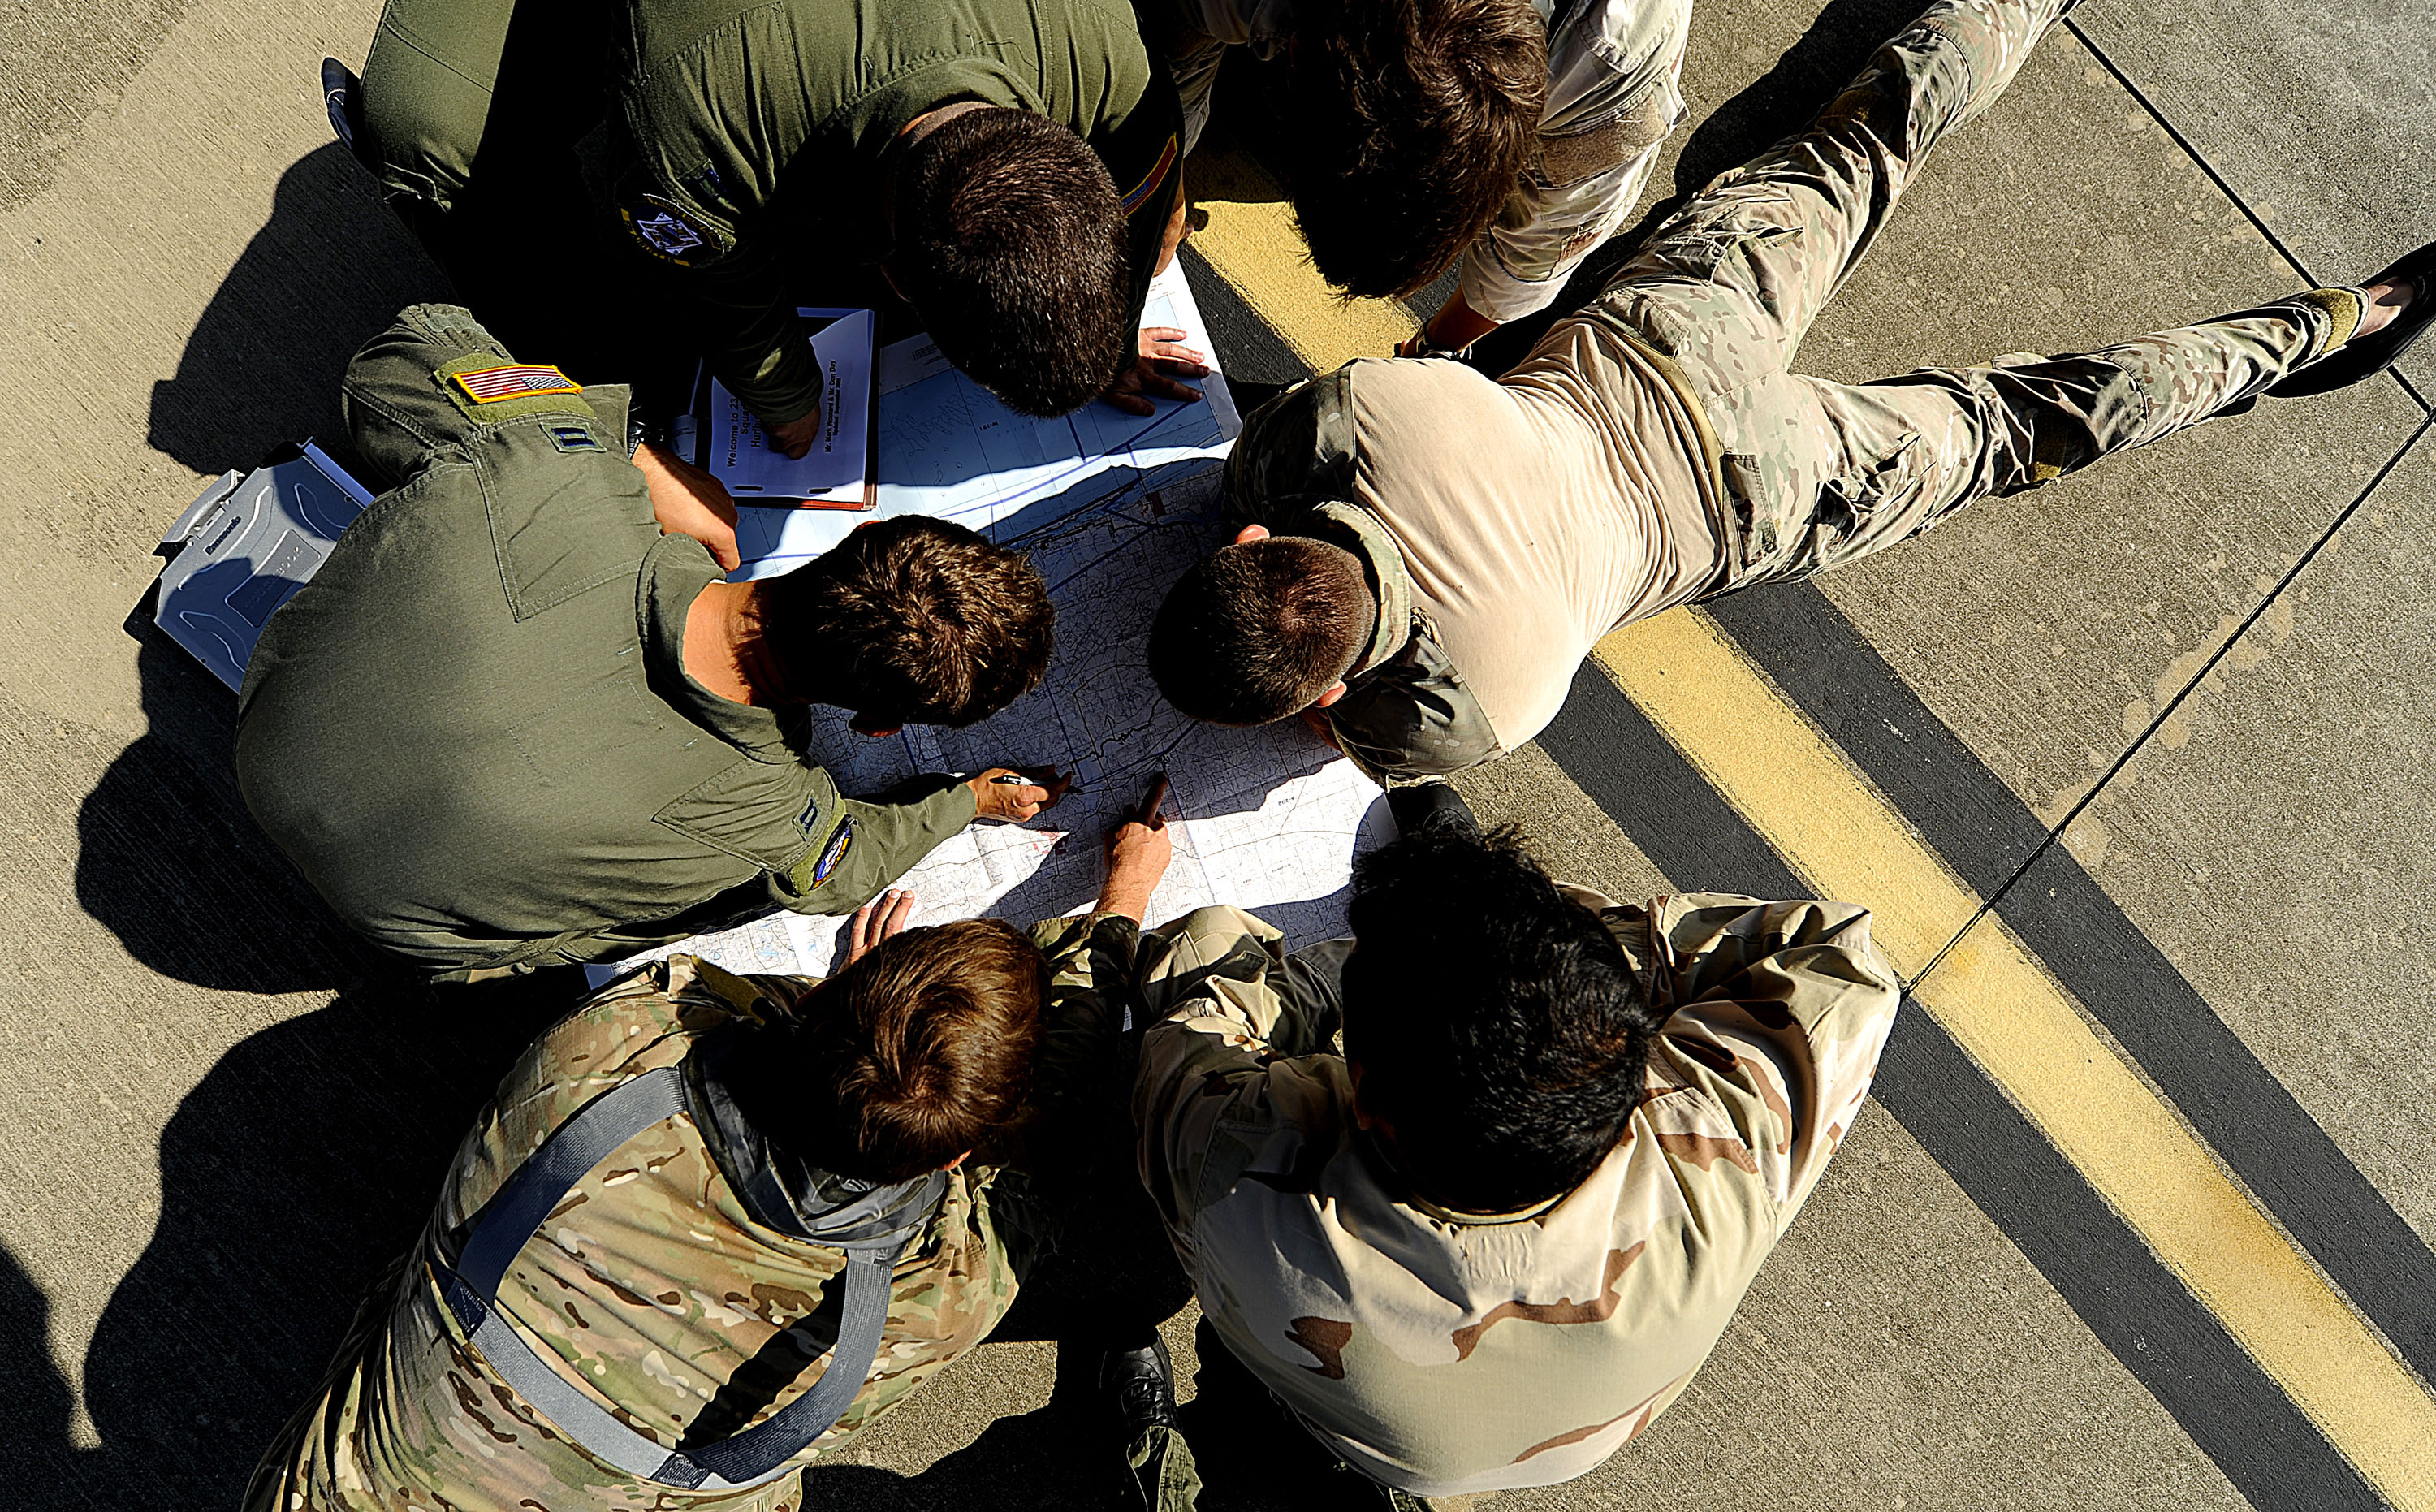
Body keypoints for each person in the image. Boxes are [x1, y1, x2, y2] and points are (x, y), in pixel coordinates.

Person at [1147, 0, 2435, 783]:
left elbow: (1359, 736)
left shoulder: (1472, 707)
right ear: (1257, 539)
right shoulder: (1366, 414)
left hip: (1747, 501)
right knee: (1872, 133)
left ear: (1324, 693)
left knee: (2016, 424)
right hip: (1665, 335)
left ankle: (2331, 327)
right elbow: (1279, 459)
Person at [244, 793, 1181, 1512]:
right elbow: (1048, 1140)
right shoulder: (935, 1302)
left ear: (817, 1001)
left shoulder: (603, 1057)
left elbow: (701, 995)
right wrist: (1118, 913)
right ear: (948, 1164)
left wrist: (838, 1001)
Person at [236, 305, 1066, 978]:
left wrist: (625, 454)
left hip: (267, 719)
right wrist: (966, 800)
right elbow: (841, 867)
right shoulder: (776, 816)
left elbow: (390, 360)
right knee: (725, 895)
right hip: (389, 918)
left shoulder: (551, 472)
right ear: (879, 726)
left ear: (850, 543)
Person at [1130, 814, 1902, 1506]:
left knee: (1200, 959)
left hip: (1315, 1367)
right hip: (1464, 1455)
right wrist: (1565, 970)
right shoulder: (1722, 1160)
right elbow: (1842, 960)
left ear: (1362, 1093)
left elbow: (1188, 1033)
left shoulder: (1236, 1162)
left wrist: (1335, 970)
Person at [338, 0, 1199, 438]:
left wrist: (1103, 330)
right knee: (428, 131)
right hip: (702, 51)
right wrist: (787, 398)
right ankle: (584, 376)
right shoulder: (699, 136)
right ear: (894, 275)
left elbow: (1155, 186)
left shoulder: (1108, 52)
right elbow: (726, 293)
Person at [1138, 0, 1691, 355]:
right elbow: (1175, 31)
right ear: (1301, 52)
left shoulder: (1613, 75)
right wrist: (1161, 189)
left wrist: (1428, 350)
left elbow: (1531, 261)